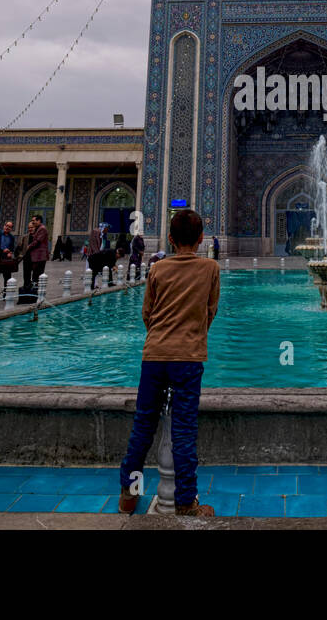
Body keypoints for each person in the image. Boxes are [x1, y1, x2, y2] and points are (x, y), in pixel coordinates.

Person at [118, 208, 220, 517]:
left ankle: (129, 494)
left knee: (143, 425)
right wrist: (190, 334)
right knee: (184, 429)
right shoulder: (210, 268)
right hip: (188, 357)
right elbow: (209, 312)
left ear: (170, 239)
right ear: (202, 239)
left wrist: (161, 335)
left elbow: (147, 313)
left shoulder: (157, 269)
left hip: (154, 355)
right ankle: (186, 501)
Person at [0, 220, 20, 301]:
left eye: (10, 227)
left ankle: (5, 295)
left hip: (7, 259)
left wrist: (10, 252)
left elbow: (12, 248)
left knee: (7, 278)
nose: (7, 227)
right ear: (4, 226)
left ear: (11, 229)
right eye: (6, 225)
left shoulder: (12, 237)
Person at [23, 214, 50, 294]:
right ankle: (34, 292)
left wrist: (28, 247)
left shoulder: (42, 229)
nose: (33, 222)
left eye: (34, 220)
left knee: (38, 275)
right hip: (37, 257)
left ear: (39, 221)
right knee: (35, 275)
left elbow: (37, 241)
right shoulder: (39, 228)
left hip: (40, 256)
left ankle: (37, 293)